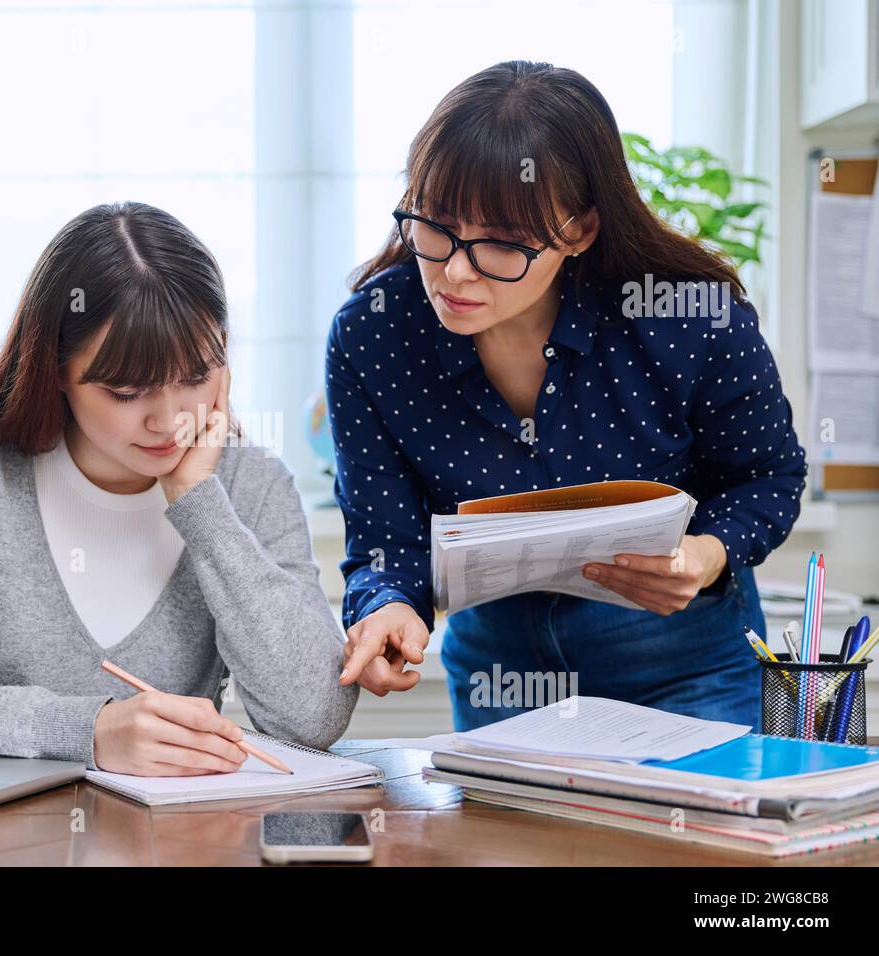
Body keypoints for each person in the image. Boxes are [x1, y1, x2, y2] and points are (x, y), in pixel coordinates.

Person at [328, 61, 807, 731]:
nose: (455, 271)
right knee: (511, 841)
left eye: (502, 243)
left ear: (579, 230)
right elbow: (386, 538)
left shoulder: (688, 318)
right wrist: (387, 608)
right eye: (434, 225)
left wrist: (702, 555)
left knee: (694, 838)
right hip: (501, 673)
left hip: (689, 668)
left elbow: (768, 477)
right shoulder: (374, 333)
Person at [0, 201, 356, 775]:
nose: (169, 419)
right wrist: (88, 732)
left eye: (196, 377)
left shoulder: (252, 485)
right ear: (53, 367)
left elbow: (314, 717)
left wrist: (200, 505)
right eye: (127, 392)